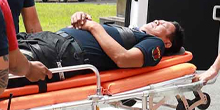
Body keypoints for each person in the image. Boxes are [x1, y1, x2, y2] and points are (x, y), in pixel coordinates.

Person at [19, 15, 185, 74]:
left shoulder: (155, 44)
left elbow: (123, 59)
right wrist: (81, 19)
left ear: (167, 43)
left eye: (163, 24)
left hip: (60, 52)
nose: (157, 21)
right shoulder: (133, 33)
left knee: (5, 64)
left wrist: (93, 26)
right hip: (51, 40)